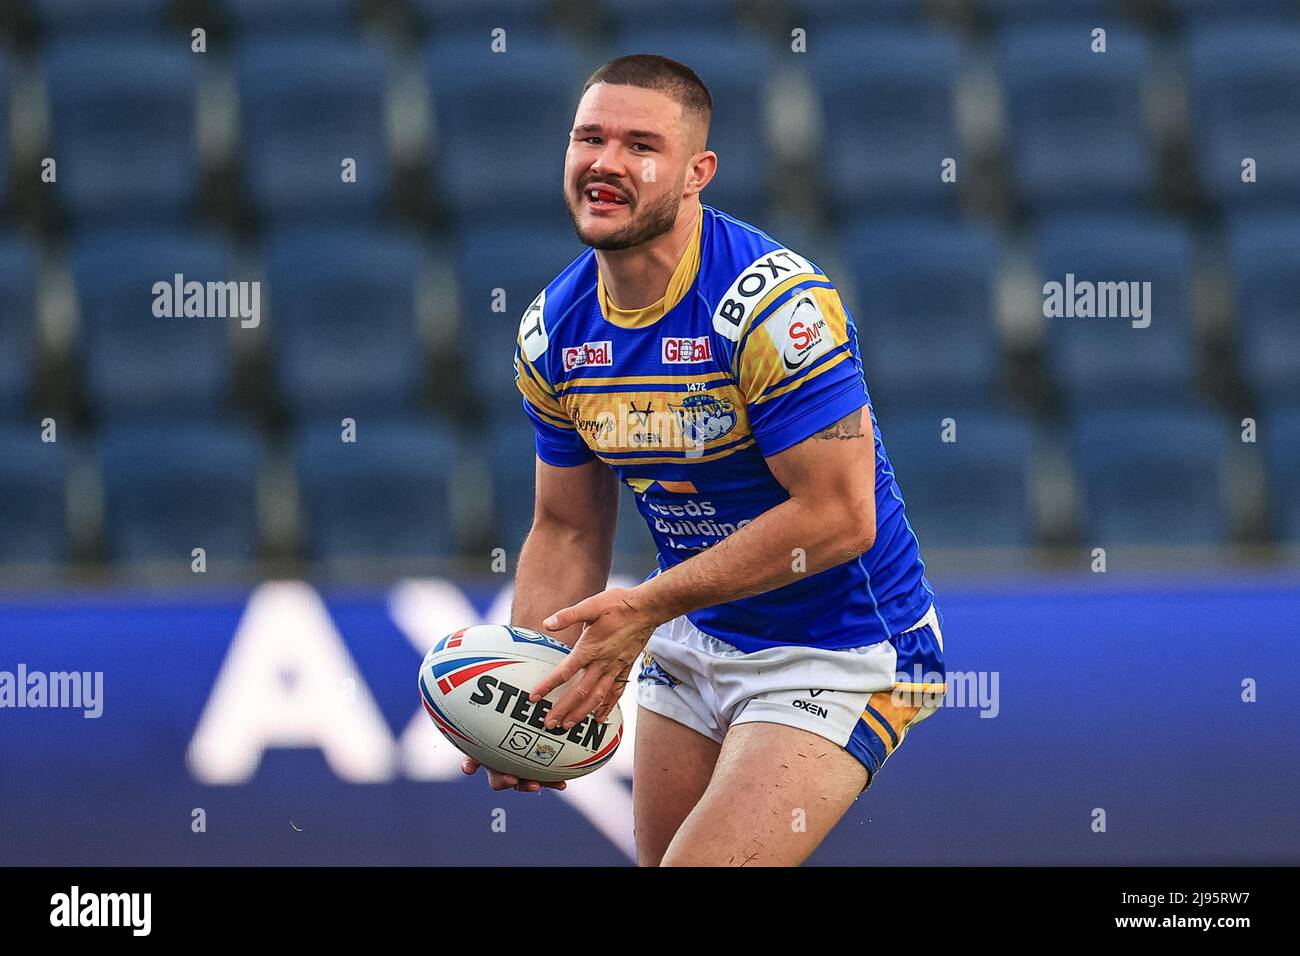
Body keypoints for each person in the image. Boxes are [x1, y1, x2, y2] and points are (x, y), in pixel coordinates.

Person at [463, 54, 945, 867]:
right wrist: (529, 686)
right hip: (690, 635)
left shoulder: (773, 307)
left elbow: (839, 516)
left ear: (697, 173)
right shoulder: (552, 330)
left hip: (845, 645)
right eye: (589, 138)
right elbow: (568, 526)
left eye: (640, 146)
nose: (606, 163)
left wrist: (645, 606)